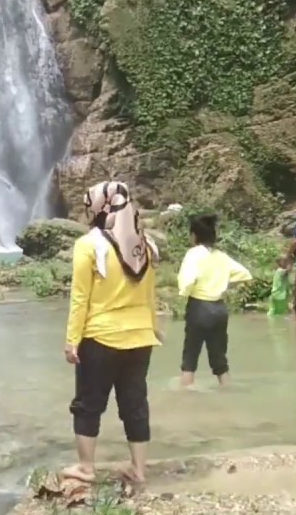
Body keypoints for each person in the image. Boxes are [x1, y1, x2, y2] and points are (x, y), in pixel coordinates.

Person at [62, 181, 161, 488]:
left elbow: (81, 298)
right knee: (134, 403)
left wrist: (71, 339)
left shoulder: (88, 245)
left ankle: (87, 468)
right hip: (141, 338)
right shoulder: (144, 245)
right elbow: (150, 294)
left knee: (88, 404)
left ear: (98, 207)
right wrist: (153, 327)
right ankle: (139, 469)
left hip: (100, 337)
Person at [175, 213, 252, 387]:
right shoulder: (221, 256)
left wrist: (184, 292)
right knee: (219, 358)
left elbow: (187, 280)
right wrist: (224, 285)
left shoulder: (193, 254)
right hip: (219, 309)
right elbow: (245, 274)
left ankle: (185, 397)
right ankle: (226, 389)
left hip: (199, 307)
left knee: (190, 356)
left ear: (194, 235)